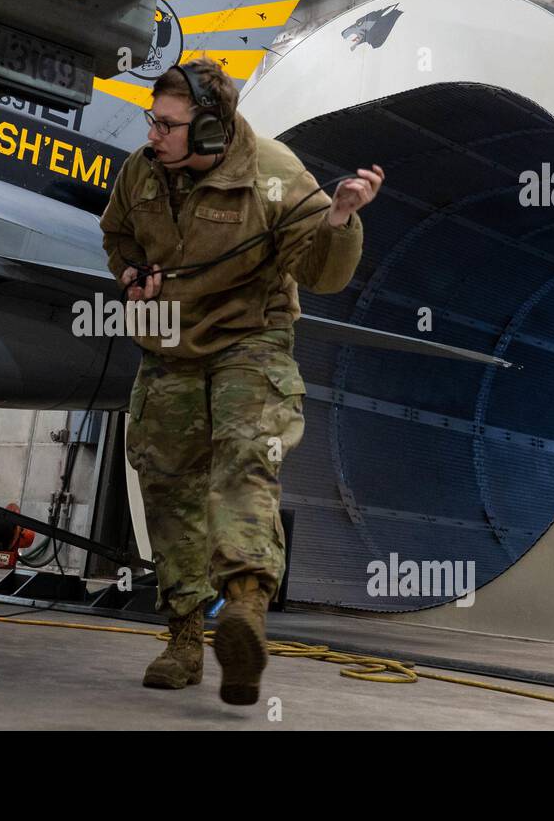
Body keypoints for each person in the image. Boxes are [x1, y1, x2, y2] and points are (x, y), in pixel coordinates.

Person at [99, 57, 383, 705]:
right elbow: (116, 233)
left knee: (242, 465)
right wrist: (131, 272)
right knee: (166, 482)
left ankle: (246, 611)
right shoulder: (143, 172)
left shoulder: (274, 174)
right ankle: (183, 635)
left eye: (168, 125)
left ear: (208, 131)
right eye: (152, 121)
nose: (153, 134)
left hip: (250, 342)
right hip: (169, 344)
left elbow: (322, 273)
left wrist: (340, 218)